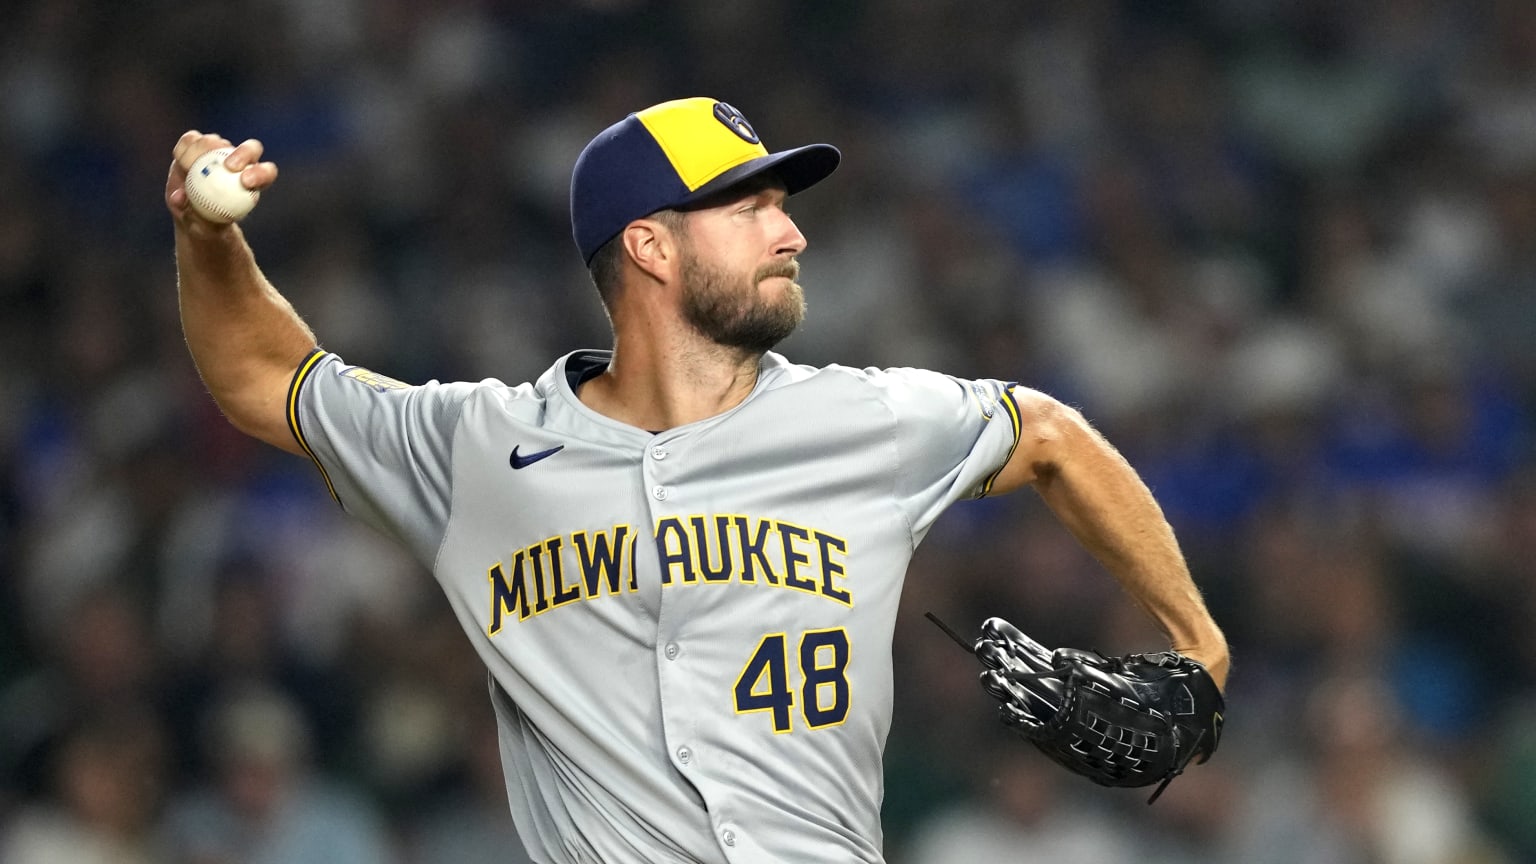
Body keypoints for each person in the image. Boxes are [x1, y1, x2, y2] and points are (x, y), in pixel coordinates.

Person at [165, 96, 1229, 864]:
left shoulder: (863, 419)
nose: (791, 230)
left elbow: (1046, 434)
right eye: (749, 207)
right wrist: (206, 237)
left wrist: (1200, 642)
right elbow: (266, 377)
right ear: (650, 247)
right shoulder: (478, 446)